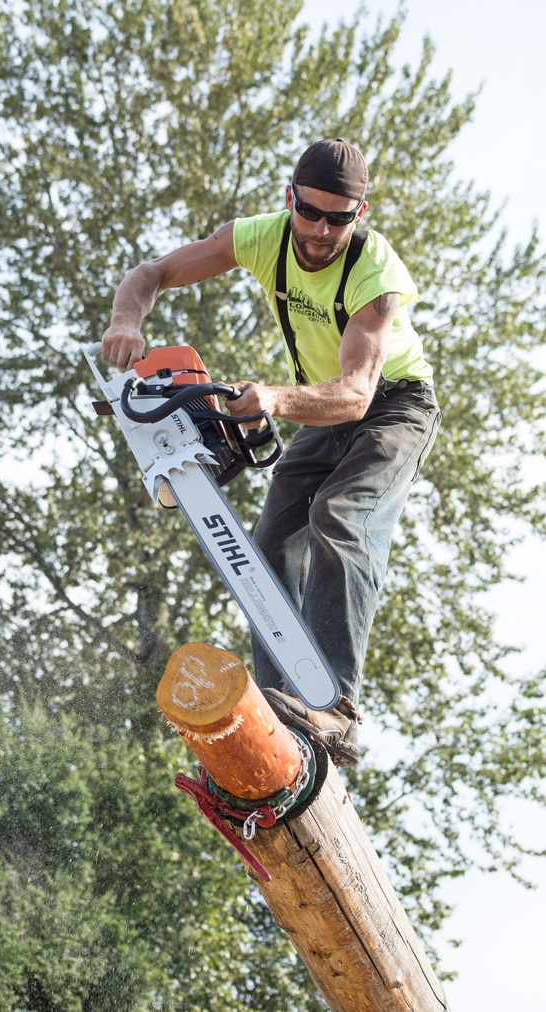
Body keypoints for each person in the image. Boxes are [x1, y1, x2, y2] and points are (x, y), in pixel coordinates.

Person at [102, 138, 440, 767]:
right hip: (322, 408)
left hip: (393, 406)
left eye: (338, 218)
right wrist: (126, 321)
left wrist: (276, 399)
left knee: (341, 517)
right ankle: (285, 703)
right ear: (290, 198)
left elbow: (357, 394)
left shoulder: (375, 272)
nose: (320, 230)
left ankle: (334, 708)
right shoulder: (259, 238)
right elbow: (151, 274)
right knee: (270, 543)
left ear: (359, 213)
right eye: (309, 212)